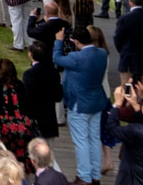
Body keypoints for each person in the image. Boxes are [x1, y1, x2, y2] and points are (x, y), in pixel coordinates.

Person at [53, 25, 108, 185]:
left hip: (79, 105)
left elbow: (56, 58)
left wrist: (58, 41)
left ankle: (84, 177)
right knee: (94, 139)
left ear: (76, 41)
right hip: (96, 102)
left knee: (81, 141)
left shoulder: (76, 58)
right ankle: (95, 175)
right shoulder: (102, 54)